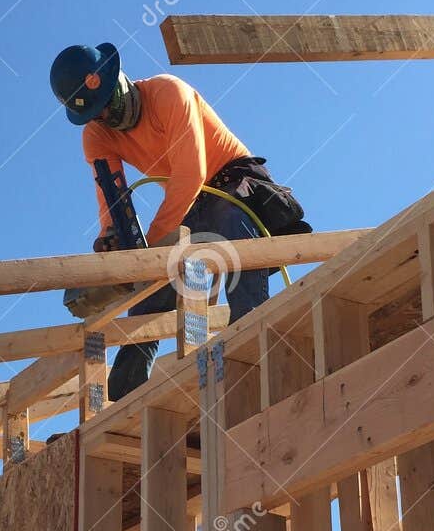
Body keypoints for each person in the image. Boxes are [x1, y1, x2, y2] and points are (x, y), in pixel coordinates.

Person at [49, 40, 311, 401]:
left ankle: (250, 348)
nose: (108, 116)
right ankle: (122, 398)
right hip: (190, 202)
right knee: (150, 297)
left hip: (230, 182)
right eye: (98, 112)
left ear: (119, 78)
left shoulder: (170, 93)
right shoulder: (97, 136)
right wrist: (113, 241)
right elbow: (111, 201)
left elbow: (191, 173)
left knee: (229, 226)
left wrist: (149, 254)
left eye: (110, 101)